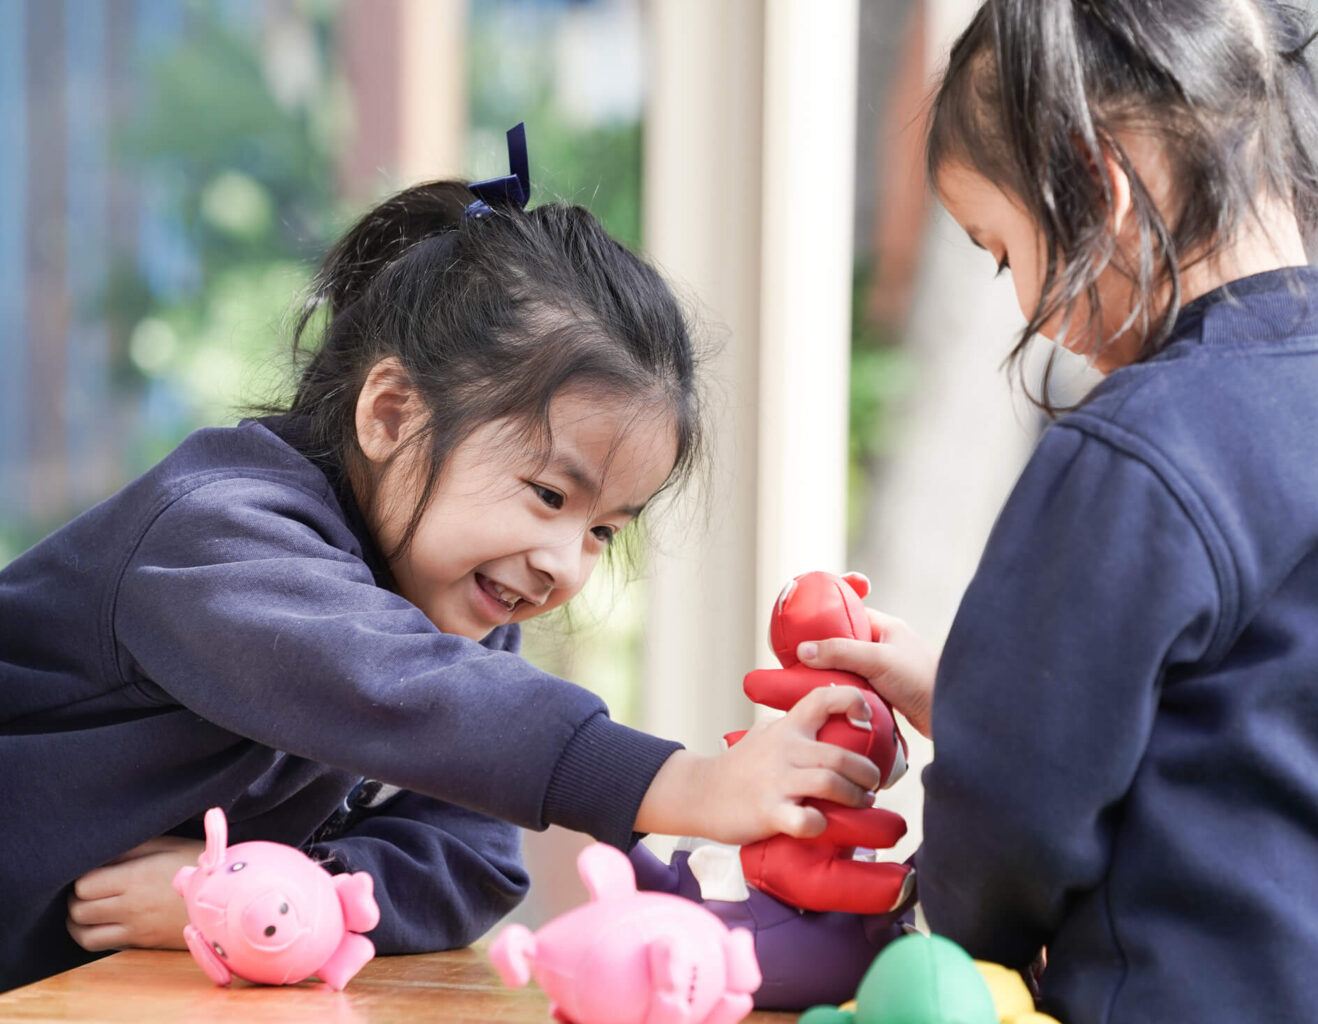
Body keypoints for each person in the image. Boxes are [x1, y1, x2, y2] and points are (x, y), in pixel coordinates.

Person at [798, 1, 1318, 1020]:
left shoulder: (1137, 446)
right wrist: (973, 695)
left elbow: (1012, 810)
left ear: (1095, 180)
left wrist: (948, 920)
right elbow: (1269, 731)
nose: (1025, 309)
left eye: (1004, 252)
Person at [0, 180, 881, 991]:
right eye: (548, 494)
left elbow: (476, 855)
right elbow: (393, 688)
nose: (565, 563)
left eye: (604, 530)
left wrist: (300, 894)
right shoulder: (218, 535)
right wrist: (683, 784)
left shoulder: (450, 606)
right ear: (390, 414)